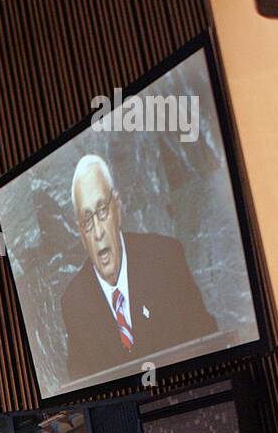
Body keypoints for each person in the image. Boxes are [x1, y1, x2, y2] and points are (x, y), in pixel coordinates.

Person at [61, 154, 217, 385]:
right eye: (87, 220)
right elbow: (82, 386)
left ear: (117, 208)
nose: (98, 232)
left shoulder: (165, 257)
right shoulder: (74, 303)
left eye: (102, 210)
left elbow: (207, 342)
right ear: (80, 232)